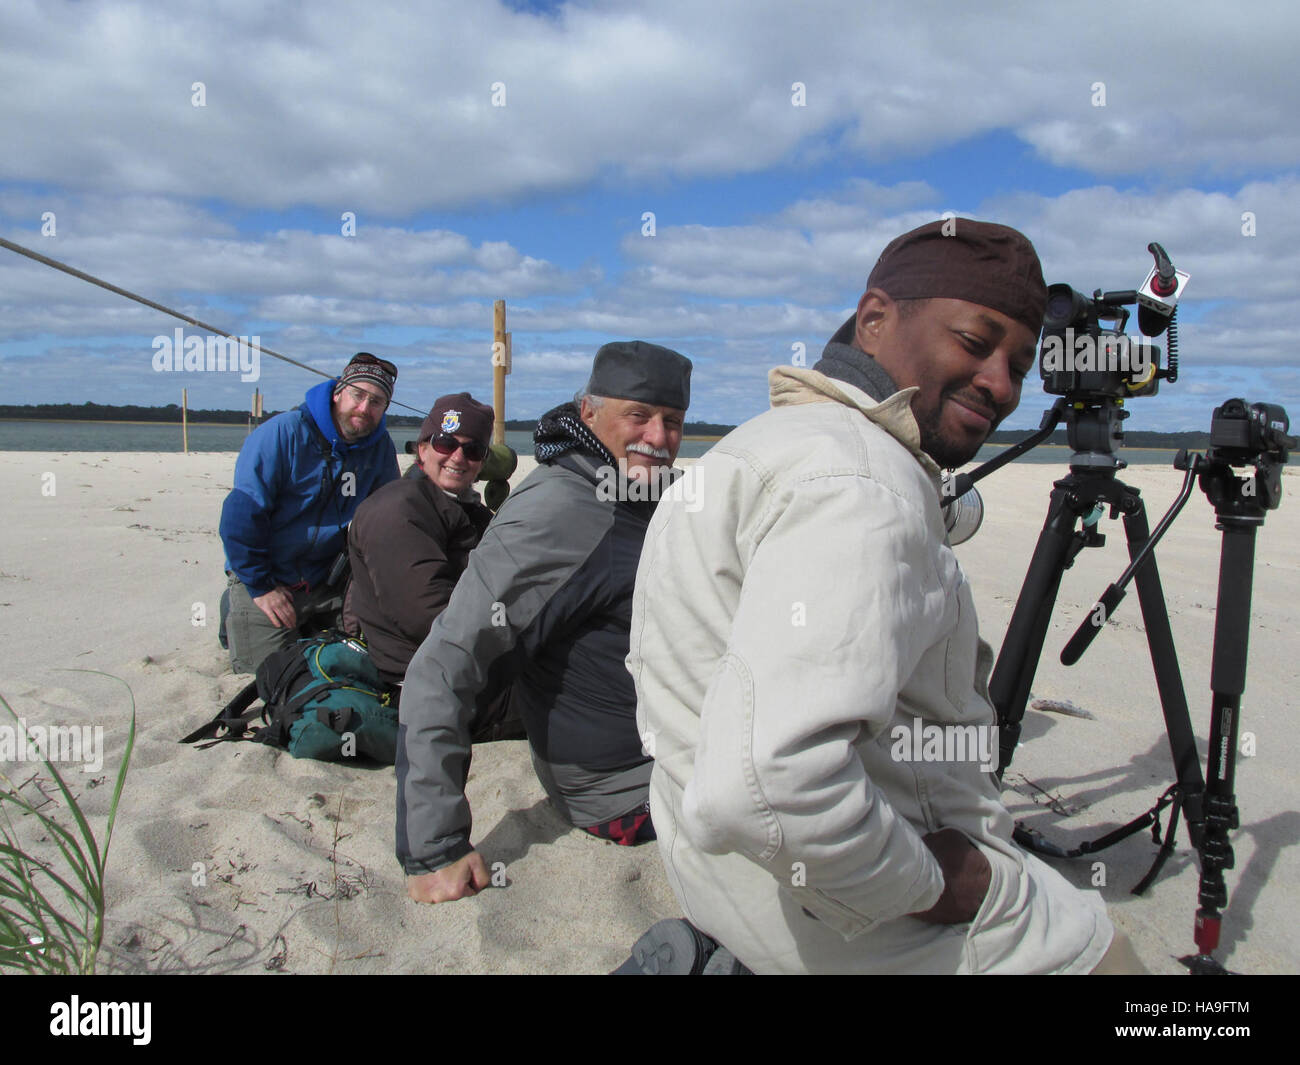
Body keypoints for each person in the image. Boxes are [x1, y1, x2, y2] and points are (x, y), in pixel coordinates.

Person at [627, 219, 1138, 974]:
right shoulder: (863, 483)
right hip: (848, 917)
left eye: (1020, 363)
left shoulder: (765, 443)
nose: (1001, 383)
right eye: (974, 341)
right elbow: (766, 784)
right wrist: (939, 881)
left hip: (718, 878)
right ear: (874, 321)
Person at [397, 340, 692, 904]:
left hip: (654, 750)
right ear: (589, 412)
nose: (658, 437)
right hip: (622, 785)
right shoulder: (560, 510)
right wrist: (434, 847)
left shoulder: (636, 489)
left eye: (672, 421)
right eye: (638, 416)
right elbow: (444, 662)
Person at [220, 352, 400, 675]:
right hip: (267, 578)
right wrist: (261, 588)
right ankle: (234, 608)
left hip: (330, 582)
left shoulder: (381, 448)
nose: (364, 408)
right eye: (358, 395)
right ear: (338, 392)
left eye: (376, 402)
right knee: (274, 679)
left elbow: (388, 520)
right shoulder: (281, 434)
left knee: (364, 665)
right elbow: (239, 518)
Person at [344, 392, 496, 688]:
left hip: (464, 658)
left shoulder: (468, 510)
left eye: (473, 450)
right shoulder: (397, 510)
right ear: (423, 449)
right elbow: (427, 615)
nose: (458, 457)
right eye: (445, 443)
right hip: (423, 676)